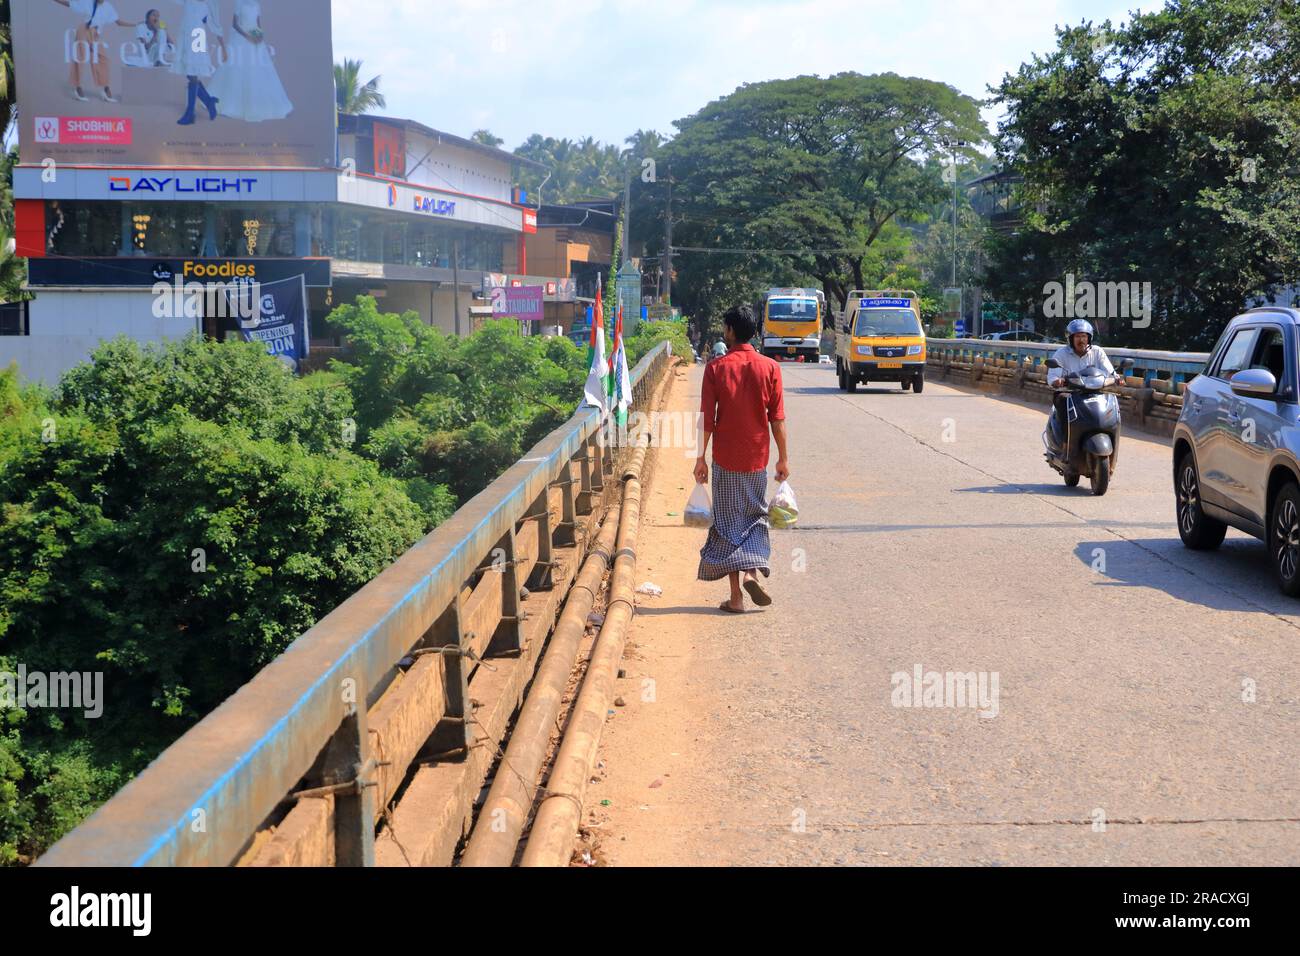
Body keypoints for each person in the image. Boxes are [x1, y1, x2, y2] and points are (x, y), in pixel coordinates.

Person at [695, 304, 791, 614]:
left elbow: (707, 419)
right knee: (754, 517)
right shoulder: (770, 368)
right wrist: (783, 459)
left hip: (725, 457)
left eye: (725, 328)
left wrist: (700, 458)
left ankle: (736, 597)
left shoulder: (716, 368)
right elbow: (777, 419)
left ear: (731, 332)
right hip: (756, 458)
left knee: (727, 524)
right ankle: (752, 571)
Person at [206, 0, 295, 122]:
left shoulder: (257, 5)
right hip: (242, 38)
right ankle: (232, 104)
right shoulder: (239, 3)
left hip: (254, 37)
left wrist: (259, 36)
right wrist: (247, 36)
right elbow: (235, 24)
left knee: (259, 71)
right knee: (237, 70)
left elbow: (258, 24)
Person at [52, 0, 140, 102]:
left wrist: (135, 25)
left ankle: (105, 87)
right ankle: (78, 86)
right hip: (84, 29)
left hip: (95, 33)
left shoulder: (108, 7)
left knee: (102, 59)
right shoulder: (88, 2)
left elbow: (118, 22)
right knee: (80, 57)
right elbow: (69, 3)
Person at [1046, 319, 1119, 441]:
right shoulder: (1061, 353)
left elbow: (1109, 371)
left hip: (1095, 393)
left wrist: (1117, 378)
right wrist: (1057, 381)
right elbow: (1052, 377)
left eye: (1084, 336)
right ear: (1071, 339)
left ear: (1089, 338)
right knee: (1062, 400)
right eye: (1078, 336)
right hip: (1070, 394)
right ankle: (1065, 442)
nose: (1081, 340)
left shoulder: (1097, 352)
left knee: (1112, 403)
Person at [170, 0, 226, 125]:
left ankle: (190, 113)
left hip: (197, 38)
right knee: (190, 74)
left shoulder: (208, 5)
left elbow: (215, 26)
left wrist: (223, 48)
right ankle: (209, 101)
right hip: (185, 36)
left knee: (193, 74)